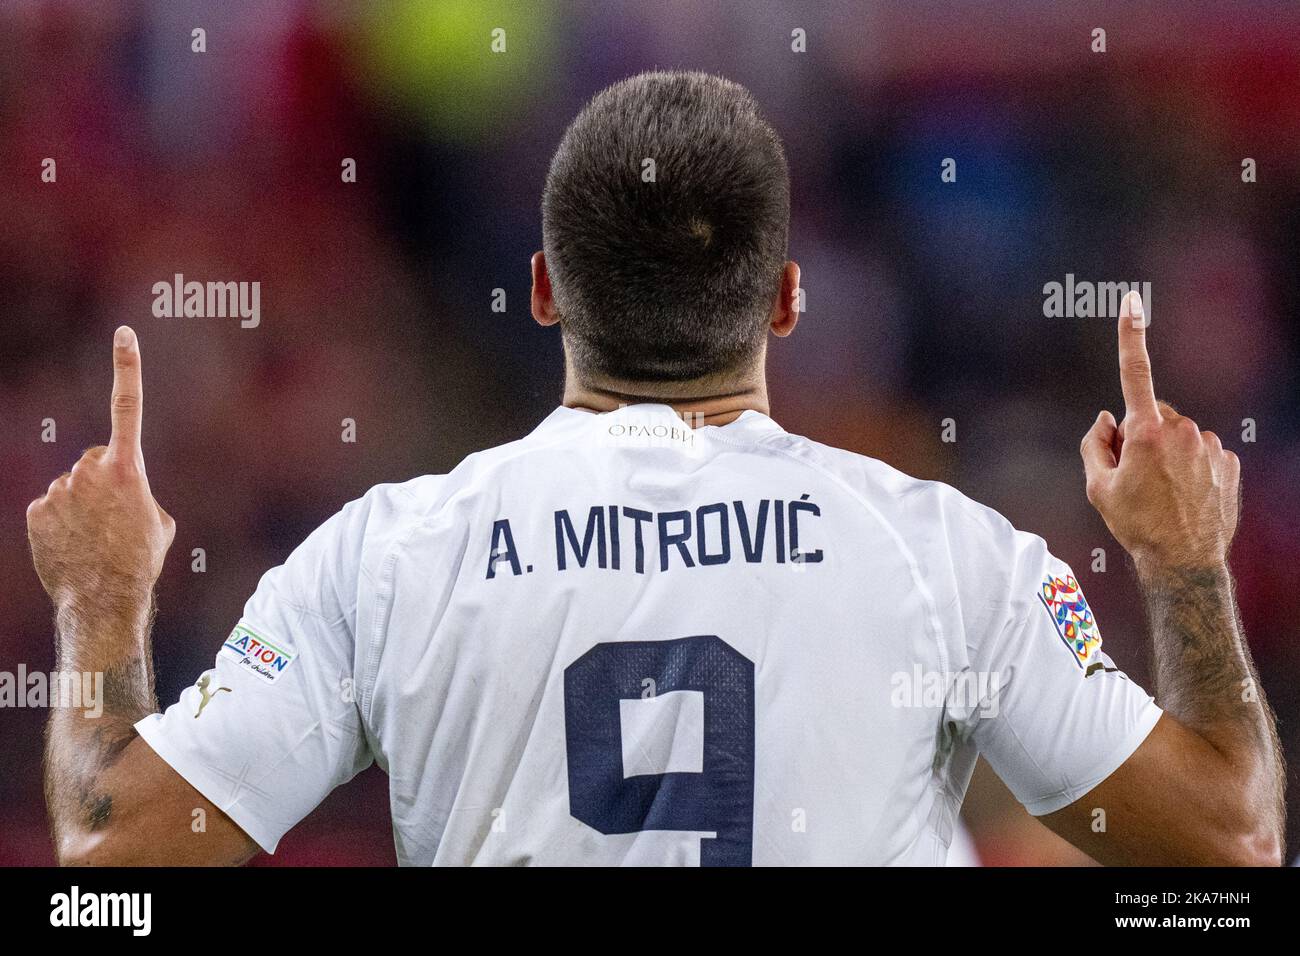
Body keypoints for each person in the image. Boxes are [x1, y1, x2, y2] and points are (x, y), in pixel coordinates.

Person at [27, 71, 1282, 866]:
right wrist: (1183, 563)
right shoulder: (945, 555)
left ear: (540, 291)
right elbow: (1229, 840)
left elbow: (110, 862)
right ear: (788, 300)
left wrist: (99, 596)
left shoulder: (386, 556)